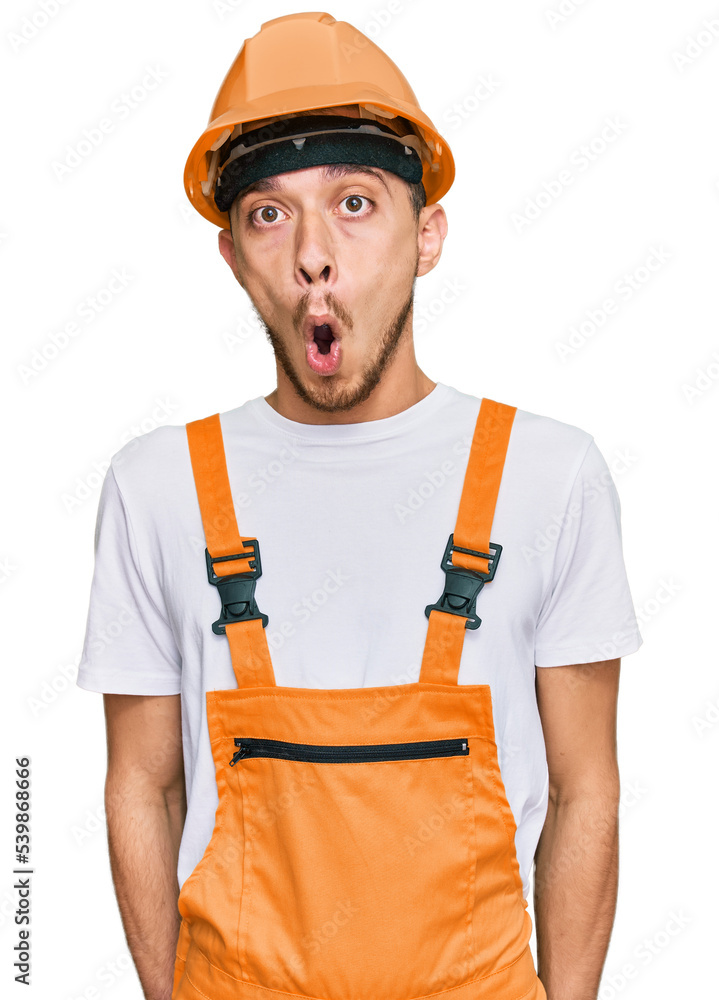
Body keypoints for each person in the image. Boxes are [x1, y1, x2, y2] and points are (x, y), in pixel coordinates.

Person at [77, 12, 643, 1000]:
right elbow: (141, 780)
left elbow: (584, 784)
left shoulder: (547, 474)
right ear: (232, 258)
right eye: (266, 213)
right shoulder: (157, 485)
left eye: (352, 202)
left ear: (425, 235)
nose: (311, 255)